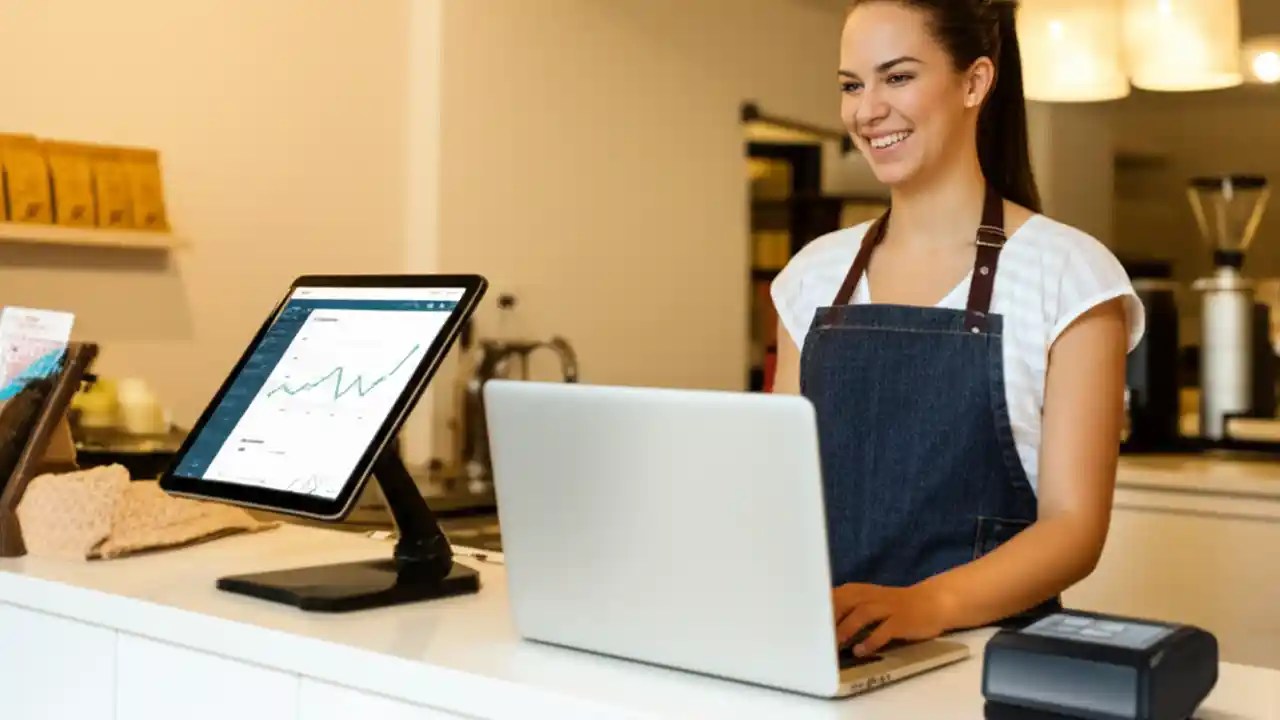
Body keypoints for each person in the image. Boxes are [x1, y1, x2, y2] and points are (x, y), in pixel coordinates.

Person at [769, 0, 1145, 658]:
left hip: (984, 662)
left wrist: (925, 604)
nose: (867, 109)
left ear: (975, 82)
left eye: (897, 77)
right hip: (820, 652)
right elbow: (778, 488)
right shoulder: (809, 277)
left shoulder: (1070, 275)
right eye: (852, 85)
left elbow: (1074, 528)